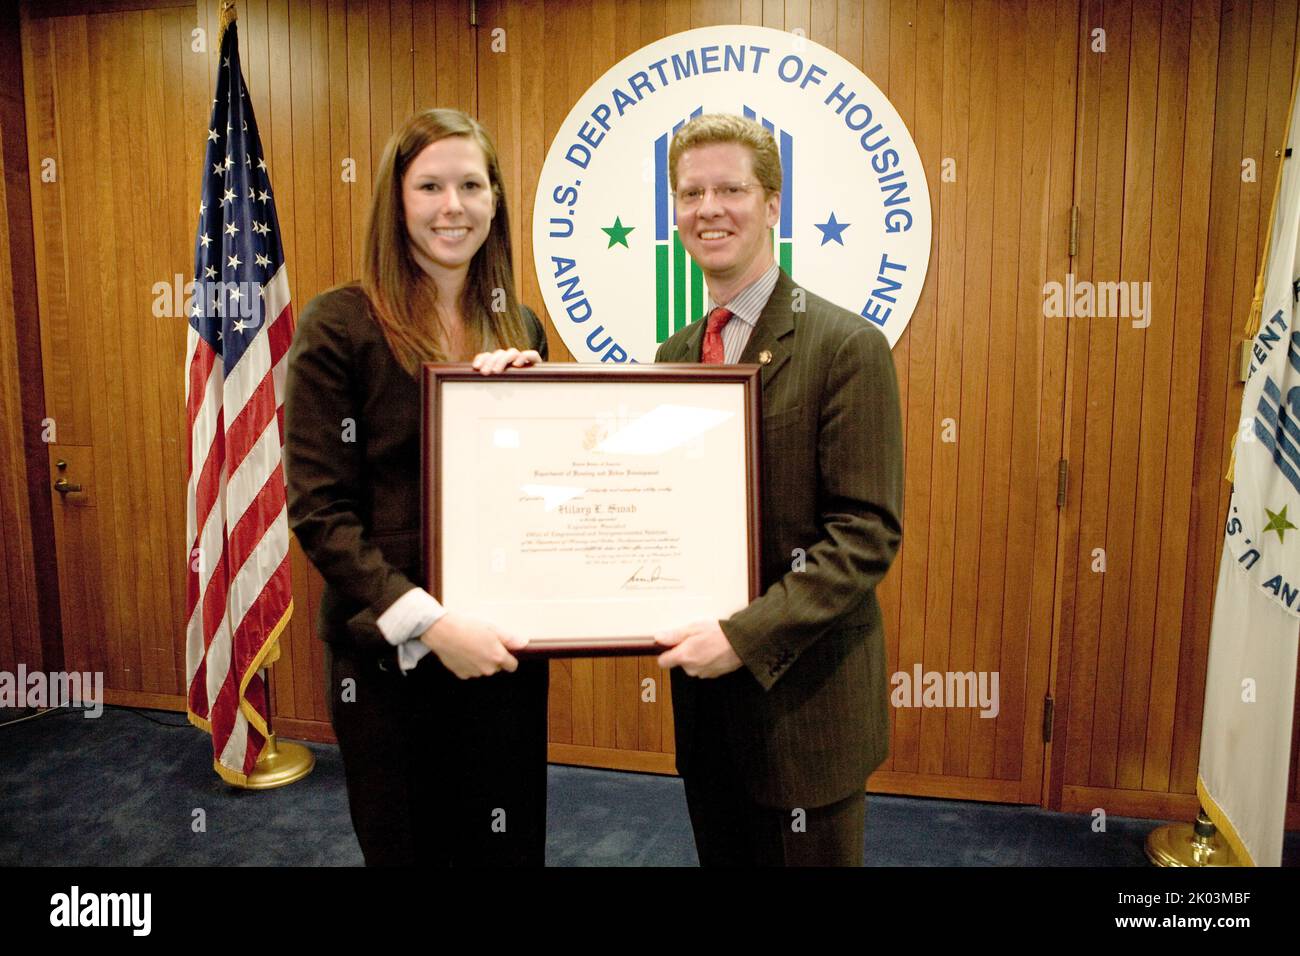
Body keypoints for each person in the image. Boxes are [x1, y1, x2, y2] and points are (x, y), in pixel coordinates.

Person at [283, 108, 548, 867]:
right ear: (397, 200)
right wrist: (431, 625)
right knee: (413, 847)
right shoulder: (339, 325)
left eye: (471, 184)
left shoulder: (520, 327)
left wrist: (537, 408)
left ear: (495, 199)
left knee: (507, 845)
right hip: (390, 663)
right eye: (429, 185)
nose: (451, 206)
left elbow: (536, 488)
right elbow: (320, 512)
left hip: (502, 649)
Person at [652, 113, 904, 866]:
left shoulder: (845, 346)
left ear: (771, 204)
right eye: (691, 192)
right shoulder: (670, 357)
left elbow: (865, 535)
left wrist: (742, 637)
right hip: (707, 711)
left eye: (730, 188)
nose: (709, 209)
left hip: (806, 714)